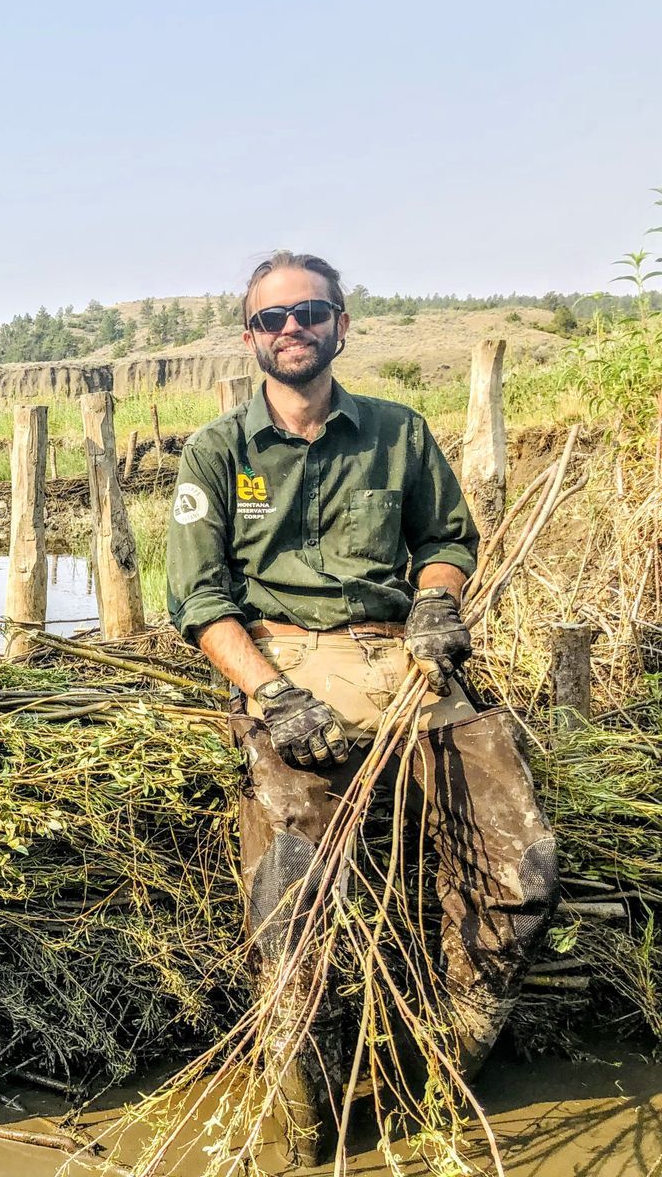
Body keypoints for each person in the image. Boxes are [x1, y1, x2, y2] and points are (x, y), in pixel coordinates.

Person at [165, 251, 559, 1163]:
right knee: (292, 901)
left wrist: (435, 599)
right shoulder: (218, 450)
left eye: (310, 313)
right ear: (250, 337)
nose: (291, 329)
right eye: (272, 319)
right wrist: (271, 696)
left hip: (411, 669)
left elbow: (446, 537)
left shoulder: (398, 431)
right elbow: (200, 601)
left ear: (343, 325)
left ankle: (441, 1069)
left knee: (525, 873)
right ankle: (310, 1113)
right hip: (287, 665)